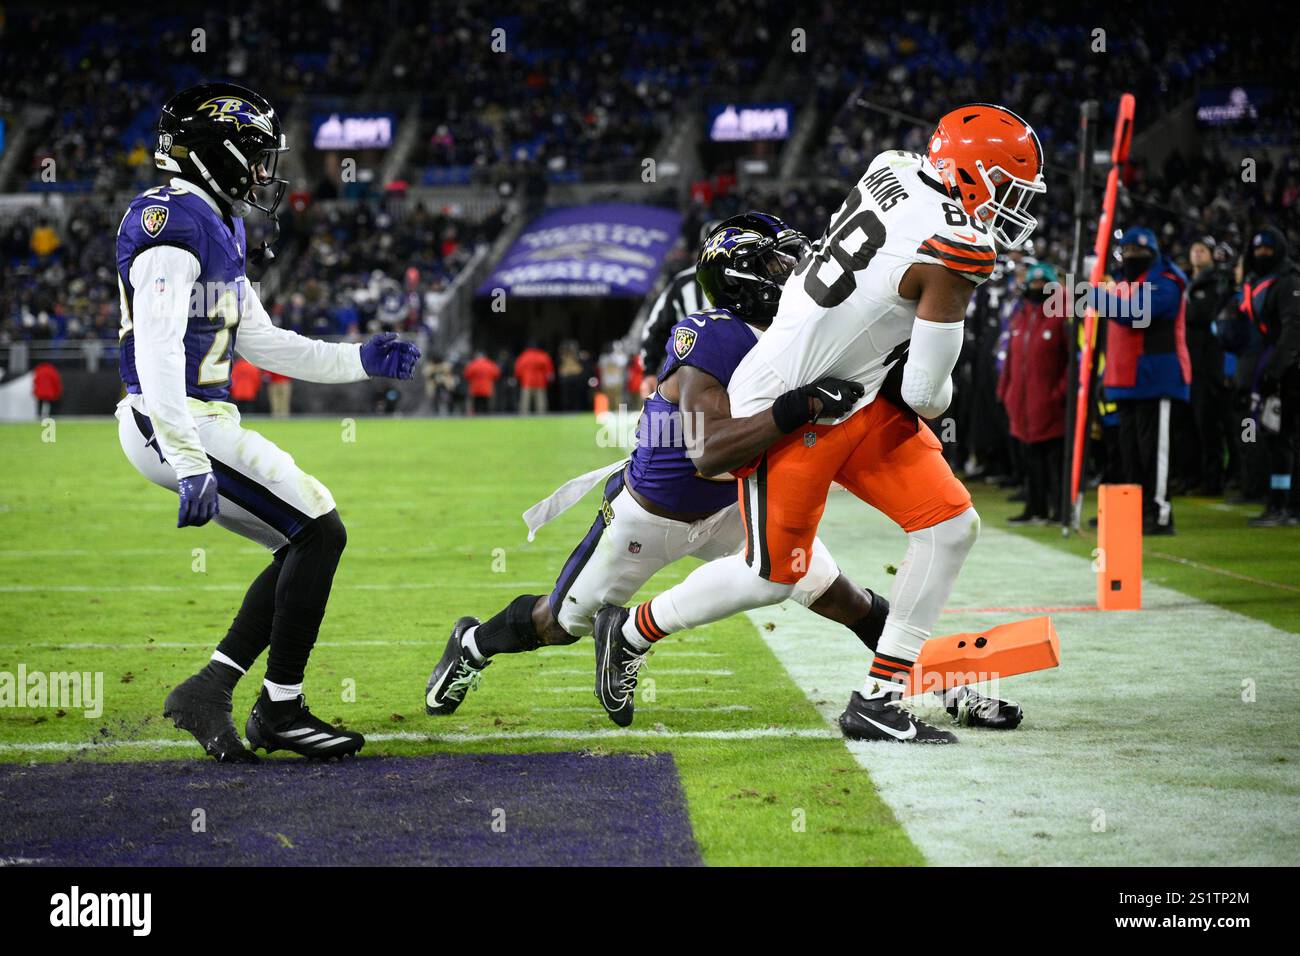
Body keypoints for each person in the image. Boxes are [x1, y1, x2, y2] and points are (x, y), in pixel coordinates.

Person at [591, 105, 1045, 743]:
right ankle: (633, 628)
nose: (1013, 207)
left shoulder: (893, 167)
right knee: (772, 576)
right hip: (790, 404)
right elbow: (926, 394)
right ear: (970, 176)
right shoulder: (958, 248)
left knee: (949, 526)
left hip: (849, 394)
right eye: (1006, 187)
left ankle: (881, 697)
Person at [425, 214, 897, 723]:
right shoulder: (715, 335)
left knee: (837, 594)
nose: (798, 268)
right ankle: (472, 645)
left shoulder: (802, 332)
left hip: (736, 508)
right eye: (779, 261)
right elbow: (709, 451)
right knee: (561, 623)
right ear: (744, 277)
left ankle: (934, 681)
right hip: (653, 515)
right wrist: (798, 409)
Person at [116, 82, 420, 762]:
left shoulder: (216, 218)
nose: (263, 172)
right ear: (214, 154)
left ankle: (211, 690)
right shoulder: (174, 220)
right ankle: (279, 707)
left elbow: (262, 339)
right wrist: (188, 456)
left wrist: (359, 360)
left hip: (192, 418)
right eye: (254, 155)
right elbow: (156, 346)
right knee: (319, 529)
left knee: (303, 541)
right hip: (174, 420)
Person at [1099, 227, 1192, 535]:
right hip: (1125, 381)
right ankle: (1134, 511)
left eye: (1137, 253)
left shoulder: (1167, 282)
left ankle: (1160, 513)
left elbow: (1139, 314)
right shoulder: (1126, 284)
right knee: (1130, 453)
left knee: (1154, 452)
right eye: (1126, 252)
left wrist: (1097, 297)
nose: (1130, 258)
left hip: (1157, 379)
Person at [998, 262, 1068, 523]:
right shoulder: (1020, 317)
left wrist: (1059, 393)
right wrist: (1005, 390)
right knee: (1030, 459)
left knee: (1055, 461)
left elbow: (1074, 360)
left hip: (1050, 403)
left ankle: (1060, 510)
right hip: (1022, 402)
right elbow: (1011, 357)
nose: (1038, 288)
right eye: (1034, 283)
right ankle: (1034, 507)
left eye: (1043, 283)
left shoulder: (1063, 317)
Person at [1243, 228, 1300, 525]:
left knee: (1283, 436)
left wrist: (1275, 371)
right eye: (1256, 250)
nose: (1260, 255)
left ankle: (1284, 506)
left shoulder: (1289, 281)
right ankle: (1282, 503)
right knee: (1277, 435)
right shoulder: (1264, 282)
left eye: (1266, 250)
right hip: (1276, 364)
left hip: (1290, 369)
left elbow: (1292, 331)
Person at [1183, 237, 1232, 495]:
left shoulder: (1217, 283)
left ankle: (1213, 480)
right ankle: (1193, 476)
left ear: (1212, 255)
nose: (1198, 253)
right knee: (1189, 424)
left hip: (1206, 363)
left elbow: (1204, 314)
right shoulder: (1186, 283)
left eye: (1203, 250)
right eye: (1195, 248)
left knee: (1207, 423)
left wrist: (1185, 311)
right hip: (1188, 362)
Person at [514, 343, 554, 414]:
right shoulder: (543, 356)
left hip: (527, 381)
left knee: (525, 403)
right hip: (540, 382)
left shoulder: (523, 356)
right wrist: (549, 382)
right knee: (541, 404)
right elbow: (549, 371)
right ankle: (542, 418)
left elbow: (518, 370)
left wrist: (519, 379)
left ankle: (523, 418)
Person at [462, 351, 500, 415]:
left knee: (476, 405)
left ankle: (477, 417)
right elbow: (497, 374)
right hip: (487, 388)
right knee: (486, 404)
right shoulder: (490, 364)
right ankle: (486, 417)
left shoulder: (472, 364)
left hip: (475, 388)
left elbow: (466, 375)